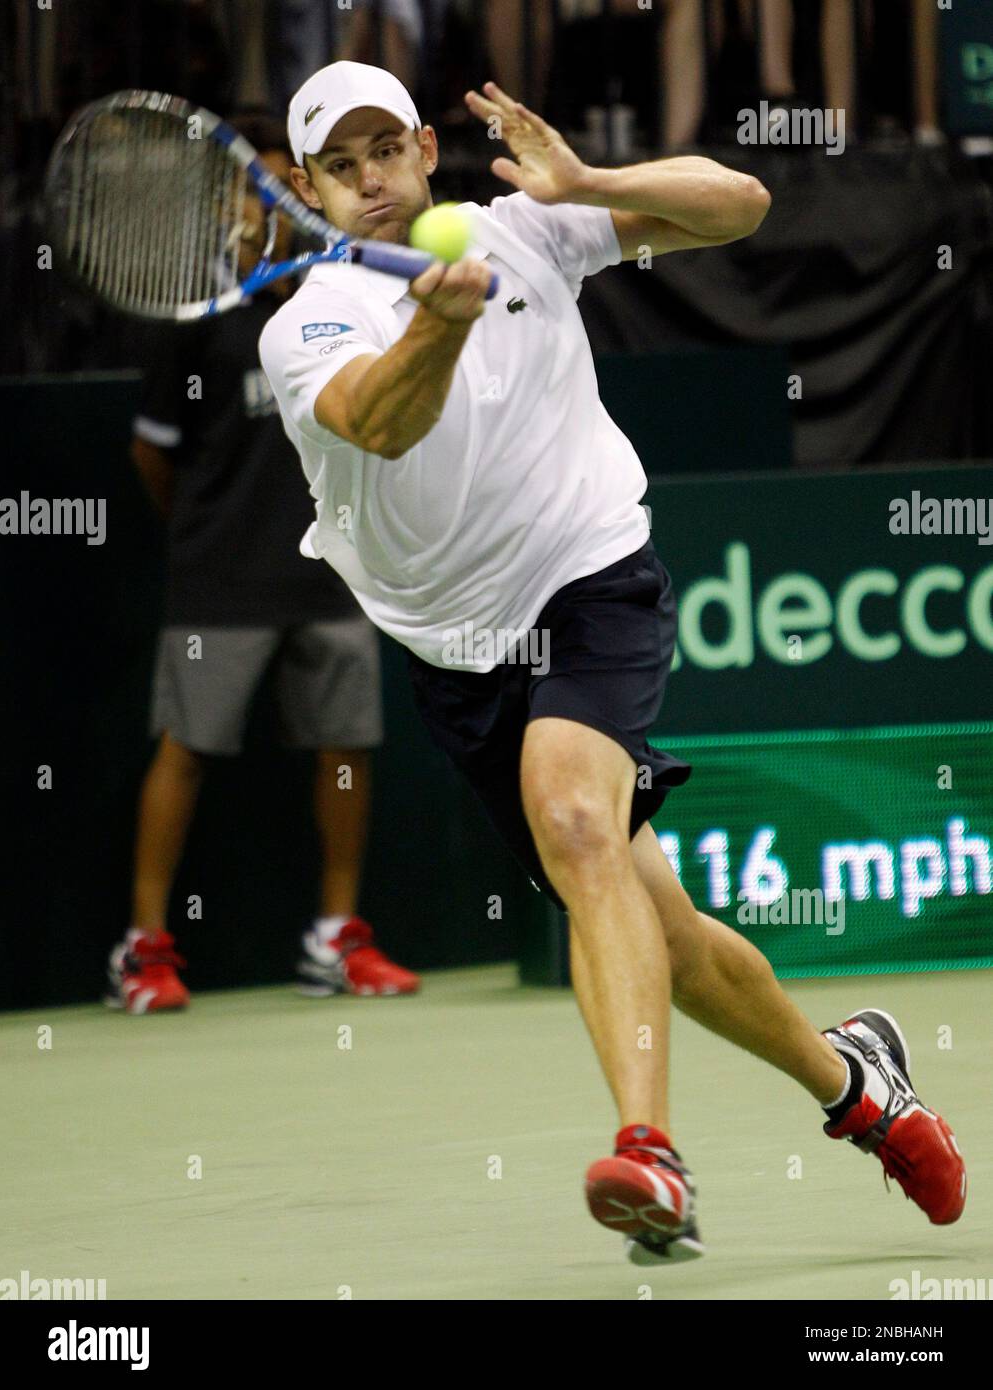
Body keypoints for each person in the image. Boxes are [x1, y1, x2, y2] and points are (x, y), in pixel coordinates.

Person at [259, 61, 966, 1261]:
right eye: (342, 163)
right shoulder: (308, 322)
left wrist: (586, 180)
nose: (372, 179)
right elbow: (382, 420)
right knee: (666, 936)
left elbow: (737, 202)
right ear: (308, 187)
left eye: (388, 149)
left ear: (428, 151)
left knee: (577, 822)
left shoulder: (525, 227)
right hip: (458, 653)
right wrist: (440, 317)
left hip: (589, 572)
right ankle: (857, 1084)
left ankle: (649, 1152)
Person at [105, 111, 420, 1015]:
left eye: (291, 185)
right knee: (187, 749)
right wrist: (211, 534)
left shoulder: (347, 299)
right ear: (229, 206)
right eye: (259, 186)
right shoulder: (195, 319)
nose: (274, 202)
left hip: (331, 574)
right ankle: (145, 947)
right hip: (220, 579)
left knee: (347, 749)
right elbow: (150, 455)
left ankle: (335, 938)